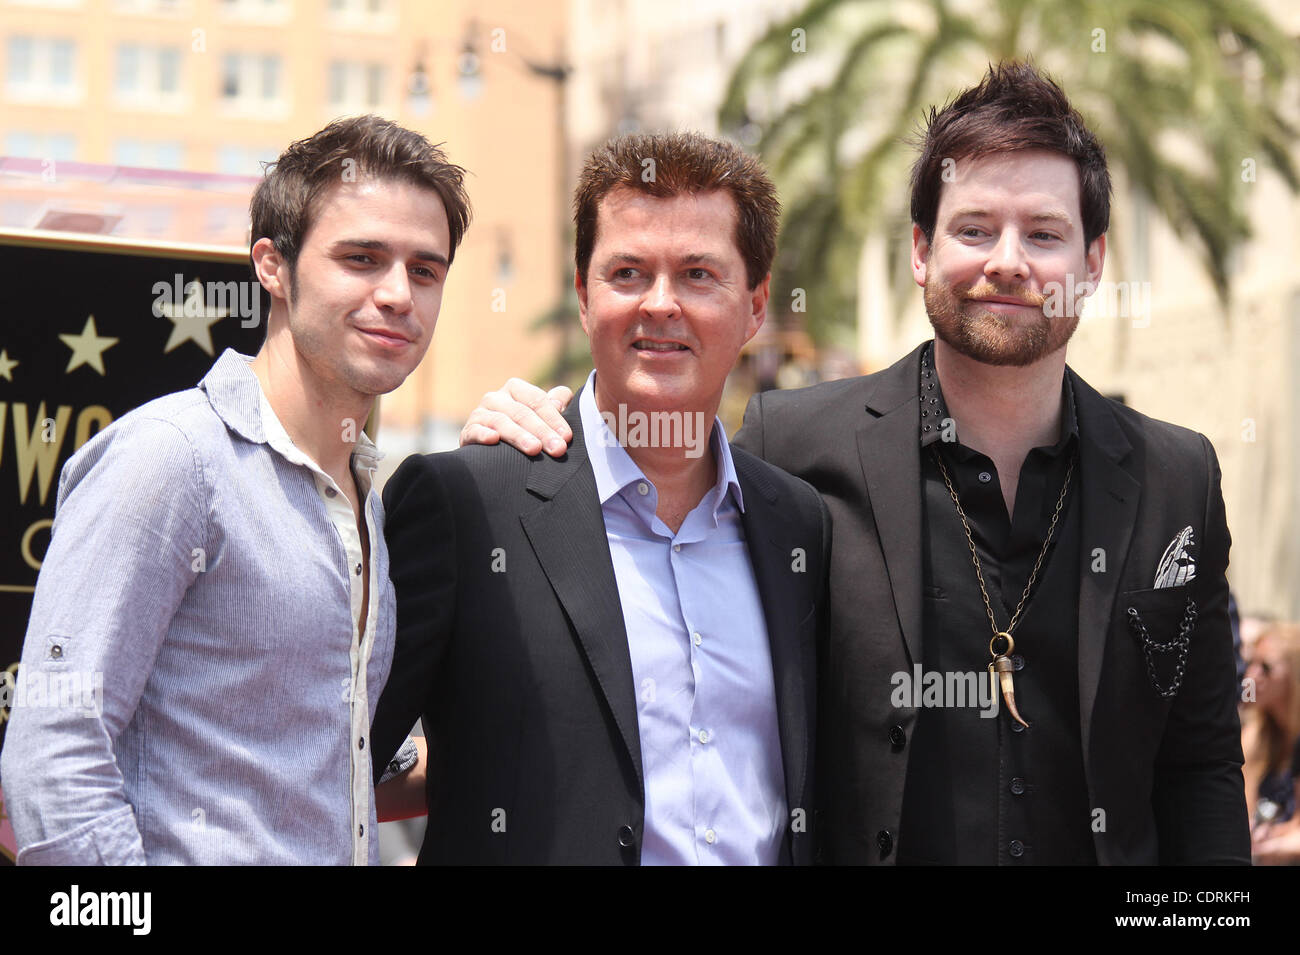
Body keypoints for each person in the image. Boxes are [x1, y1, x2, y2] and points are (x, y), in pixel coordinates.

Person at [461, 62, 1250, 864]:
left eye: (1043, 234)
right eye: (974, 229)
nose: (1008, 261)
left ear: (1093, 261)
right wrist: (532, 452)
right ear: (920, 250)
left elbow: (1202, 765)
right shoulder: (792, 447)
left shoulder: (1175, 475)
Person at [0, 115, 471, 865]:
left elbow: (311, 760)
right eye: (361, 258)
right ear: (272, 266)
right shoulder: (175, 458)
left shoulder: (363, 496)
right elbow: (53, 751)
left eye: (425, 269)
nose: (397, 294)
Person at [370, 132, 829, 864]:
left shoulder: (798, 524)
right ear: (584, 298)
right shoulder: (468, 503)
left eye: (699, 273)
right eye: (627, 271)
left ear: (756, 306)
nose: (660, 304)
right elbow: (335, 759)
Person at [1241, 622, 1300, 863]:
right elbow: (1242, 814)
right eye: (1251, 664)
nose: (1251, 677)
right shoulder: (1255, 735)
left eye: (1265, 667)